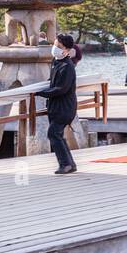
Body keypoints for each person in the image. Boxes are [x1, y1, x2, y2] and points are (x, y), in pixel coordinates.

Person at [37, 34, 80, 175]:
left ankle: (65, 164)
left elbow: (61, 89)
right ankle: (70, 164)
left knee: (53, 133)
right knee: (57, 134)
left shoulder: (68, 66)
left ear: (67, 50)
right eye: (55, 45)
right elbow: (52, 81)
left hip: (65, 107)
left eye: (59, 47)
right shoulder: (55, 61)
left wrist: (43, 93)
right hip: (55, 107)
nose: (55, 48)